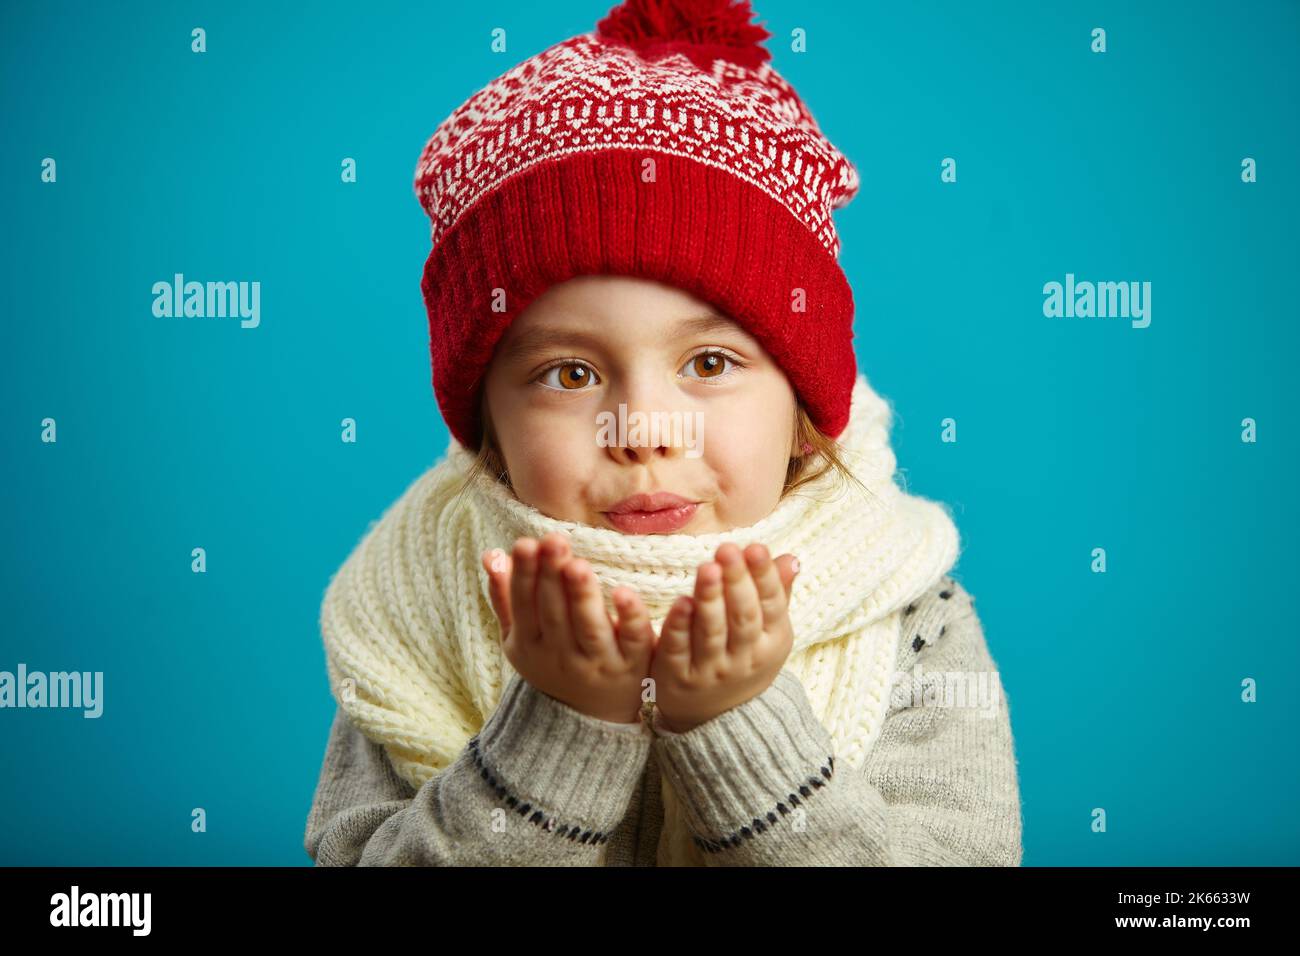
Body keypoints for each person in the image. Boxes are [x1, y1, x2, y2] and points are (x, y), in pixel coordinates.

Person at [304, 0, 1023, 866]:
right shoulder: (411, 605)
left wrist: (740, 723)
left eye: (711, 364)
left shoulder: (910, 616)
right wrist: (561, 727)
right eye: (570, 374)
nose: (644, 428)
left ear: (804, 408)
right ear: (487, 428)